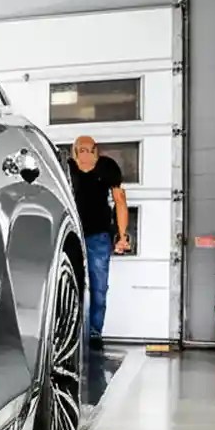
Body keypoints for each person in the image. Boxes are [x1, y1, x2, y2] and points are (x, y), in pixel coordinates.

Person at [68, 136, 130, 349]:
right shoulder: (67, 169)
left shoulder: (106, 167)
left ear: (96, 151)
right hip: (72, 235)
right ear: (74, 152)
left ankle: (94, 332)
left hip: (98, 236)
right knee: (70, 283)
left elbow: (120, 201)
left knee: (99, 286)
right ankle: (70, 333)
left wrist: (122, 236)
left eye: (89, 149)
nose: (85, 154)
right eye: (80, 150)